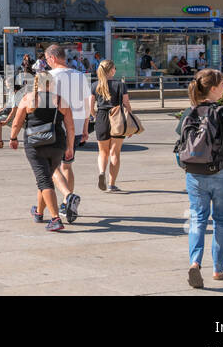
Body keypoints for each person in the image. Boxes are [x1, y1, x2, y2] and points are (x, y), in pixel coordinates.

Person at [178, 69, 223, 288]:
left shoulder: (188, 112)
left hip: (194, 173)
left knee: (198, 219)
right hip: (221, 172)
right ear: (213, 88)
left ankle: (194, 263)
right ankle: (218, 269)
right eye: (222, 85)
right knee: (221, 221)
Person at [9, 69, 75, 232]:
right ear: (51, 83)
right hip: (57, 144)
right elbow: (70, 127)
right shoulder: (61, 100)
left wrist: (13, 138)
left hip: (35, 144)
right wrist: (70, 147)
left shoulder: (28, 98)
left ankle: (55, 219)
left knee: (44, 180)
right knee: (45, 178)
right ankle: (38, 212)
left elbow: (17, 123)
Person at [46, 44, 88, 224]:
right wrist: (85, 128)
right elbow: (87, 104)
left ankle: (68, 196)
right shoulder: (80, 76)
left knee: (51, 167)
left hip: (55, 128)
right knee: (67, 166)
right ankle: (66, 204)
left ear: (53, 58)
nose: (47, 63)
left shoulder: (47, 76)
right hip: (77, 128)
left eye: (47, 60)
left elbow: (42, 104)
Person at [88, 59, 134, 192]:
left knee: (103, 152)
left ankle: (101, 172)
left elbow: (90, 106)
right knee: (115, 153)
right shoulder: (120, 85)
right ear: (111, 70)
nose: (115, 70)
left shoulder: (95, 85)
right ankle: (111, 184)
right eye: (114, 68)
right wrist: (129, 122)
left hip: (101, 117)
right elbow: (127, 104)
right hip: (117, 118)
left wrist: (95, 116)